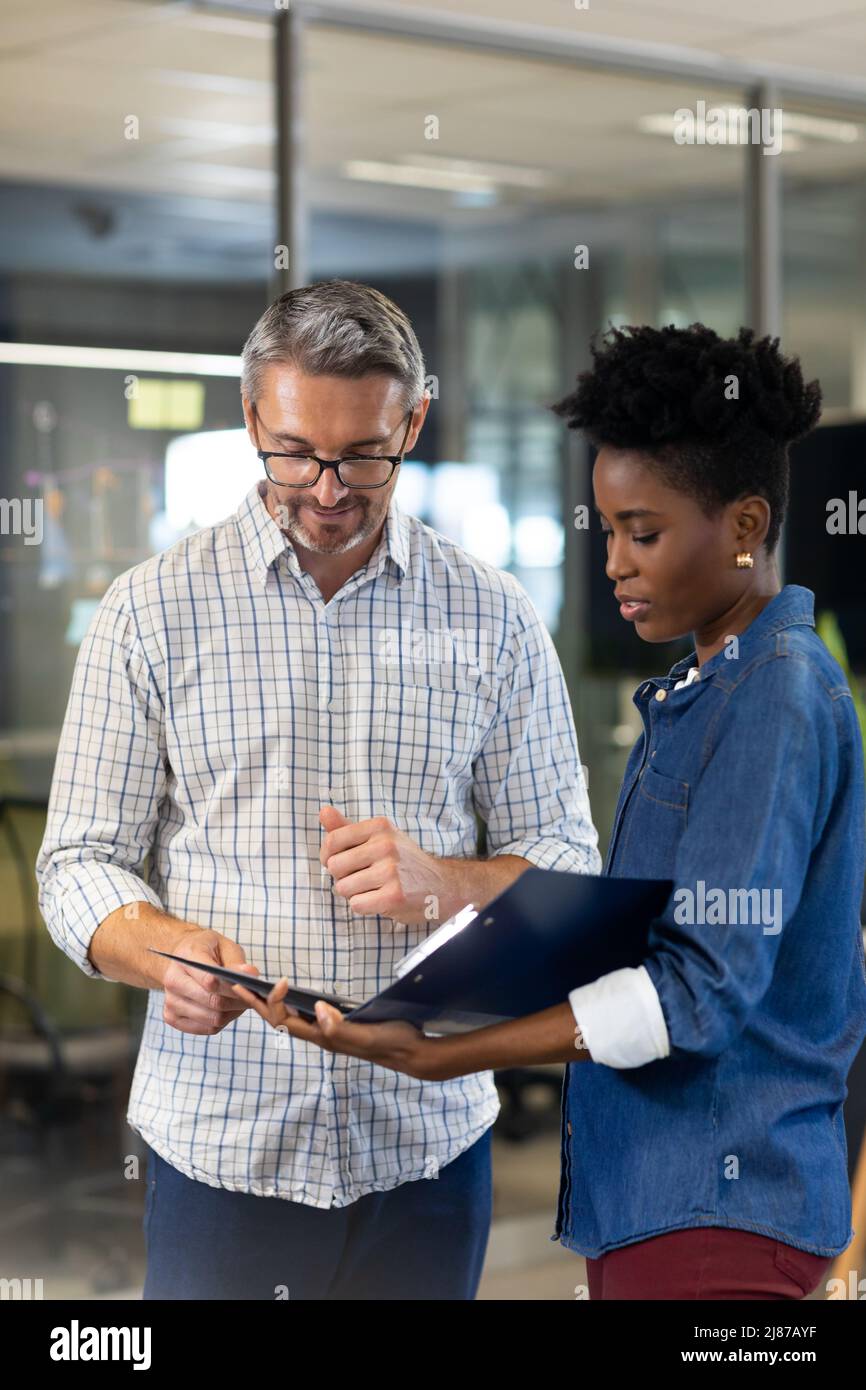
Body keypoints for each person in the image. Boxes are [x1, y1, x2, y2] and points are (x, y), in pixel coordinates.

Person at [237, 324, 866, 1301]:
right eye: (606, 528)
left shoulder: (772, 696)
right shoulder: (700, 690)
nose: (612, 561)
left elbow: (693, 992)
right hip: (660, 1209)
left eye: (642, 533)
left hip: (714, 1220)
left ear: (744, 526)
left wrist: (446, 1052)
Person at [35, 279, 600, 1301]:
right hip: (222, 1148)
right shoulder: (148, 614)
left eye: (363, 455)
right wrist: (158, 949)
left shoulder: (495, 617)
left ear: (413, 419)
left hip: (423, 1149)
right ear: (253, 417)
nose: (327, 487)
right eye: (295, 451)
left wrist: (443, 881)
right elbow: (76, 860)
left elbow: (567, 863)